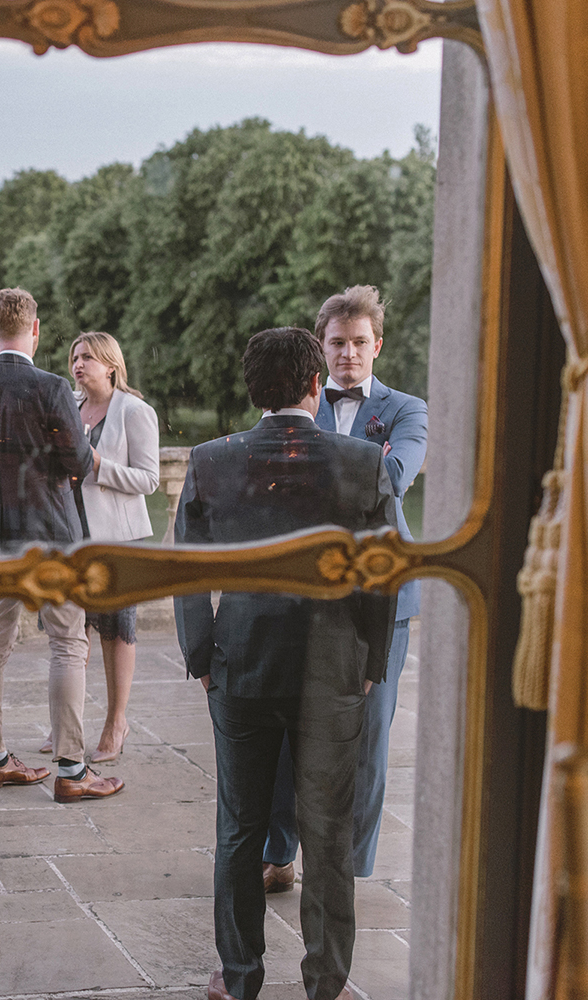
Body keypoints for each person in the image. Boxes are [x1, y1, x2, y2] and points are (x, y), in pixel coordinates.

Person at [174, 326, 399, 1000]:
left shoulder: (213, 458)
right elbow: (380, 572)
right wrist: (372, 659)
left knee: (239, 829)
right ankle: (326, 980)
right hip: (333, 666)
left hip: (241, 661)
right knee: (327, 829)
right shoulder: (361, 461)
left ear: (253, 390)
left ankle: (240, 977)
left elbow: (186, 567)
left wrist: (200, 657)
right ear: (313, 386)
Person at [262, 286, 428, 892]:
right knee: (283, 729)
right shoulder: (291, 403)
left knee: (367, 739)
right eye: (337, 343)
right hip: (300, 589)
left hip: (381, 595)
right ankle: (277, 854)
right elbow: (274, 482)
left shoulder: (409, 410)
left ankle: (347, 871)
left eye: (360, 343)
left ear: (377, 346)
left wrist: (318, 469)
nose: (349, 355)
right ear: (320, 349)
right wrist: (359, 464)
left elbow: (393, 477)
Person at [0, 288, 124, 804]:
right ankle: (72, 769)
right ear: (36, 329)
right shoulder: (50, 388)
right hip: (51, 534)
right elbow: (76, 462)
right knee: (68, 644)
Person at [66, 332, 159, 763]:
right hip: (71, 532)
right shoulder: (67, 406)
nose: (79, 364)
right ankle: (67, 724)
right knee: (70, 630)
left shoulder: (134, 411)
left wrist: (99, 464)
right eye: (75, 357)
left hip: (118, 536)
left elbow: (148, 479)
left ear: (111, 366)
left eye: (88, 357)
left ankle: (116, 722)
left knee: (116, 629)